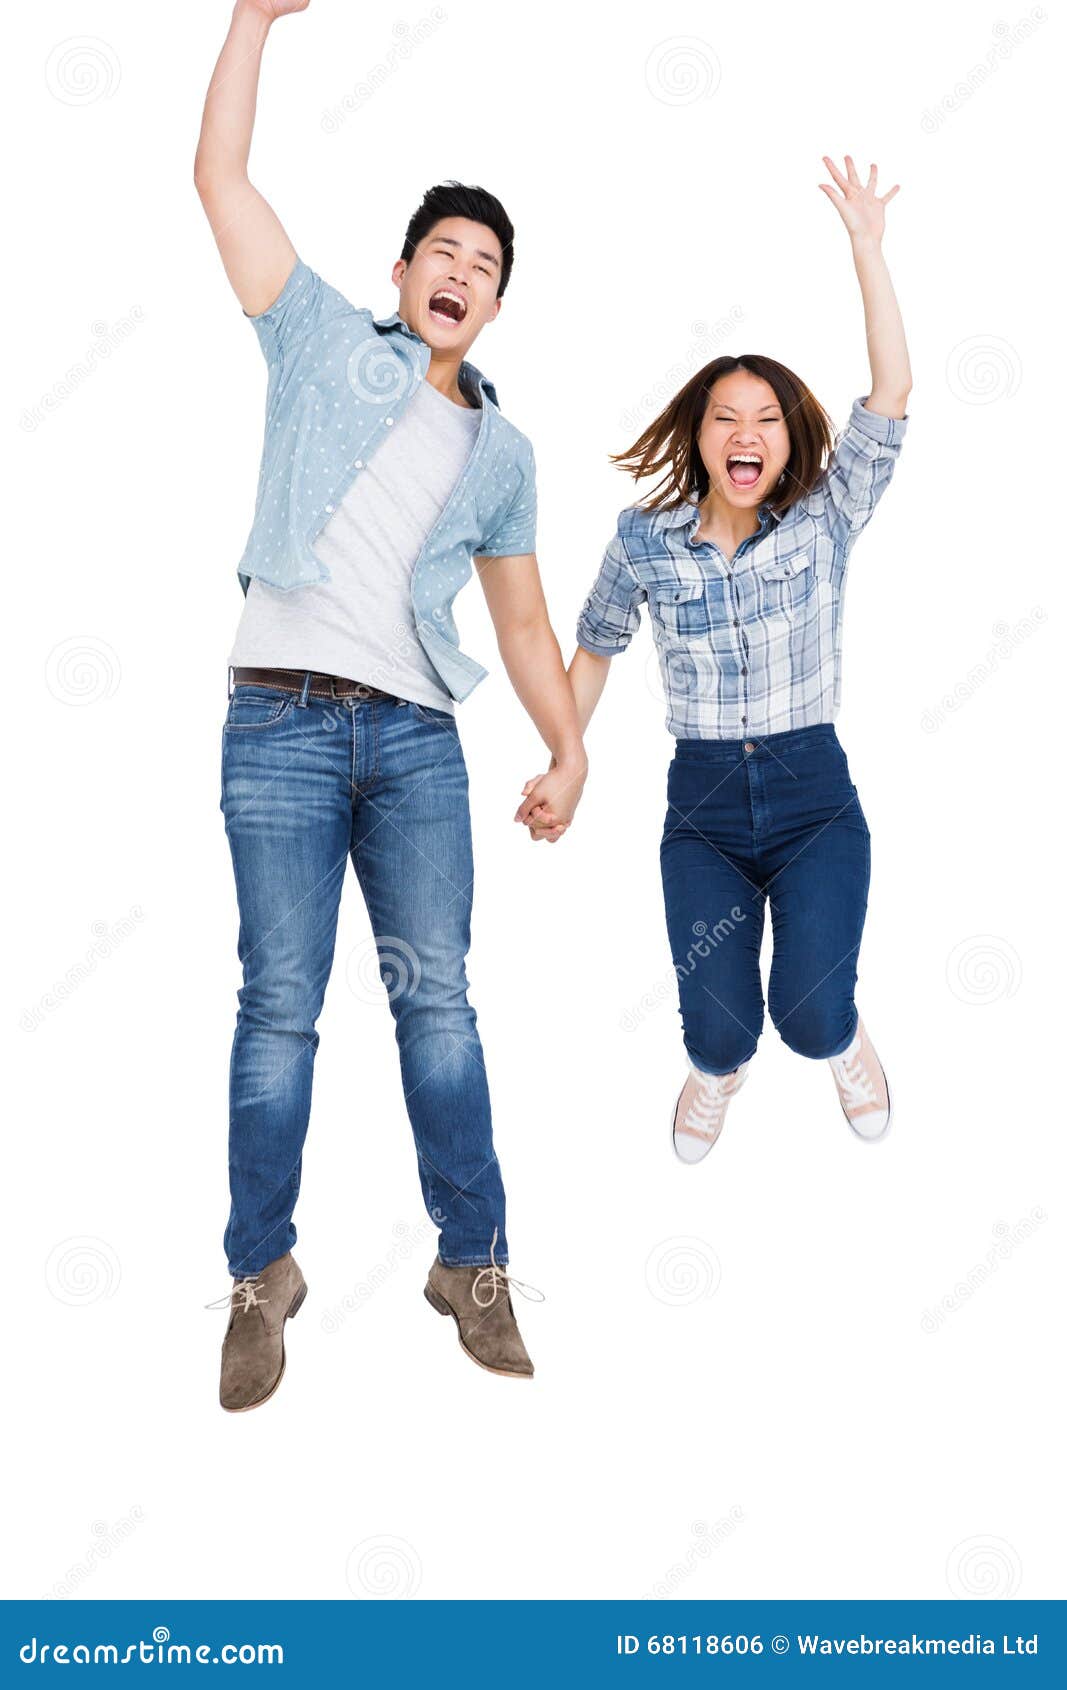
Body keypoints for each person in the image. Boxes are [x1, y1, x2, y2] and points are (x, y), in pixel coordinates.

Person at [194, 0, 586, 1409]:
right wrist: (251, 22)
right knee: (279, 1011)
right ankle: (260, 1274)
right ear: (404, 268)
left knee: (439, 1012)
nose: (461, 275)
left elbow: (526, 620)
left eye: (486, 267)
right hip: (282, 729)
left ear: (493, 302)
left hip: (416, 742)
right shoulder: (313, 339)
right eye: (445, 252)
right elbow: (222, 181)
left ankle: (468, 1258)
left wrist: (567, 745)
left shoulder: (502, 451)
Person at [521, 155, 910, 1162]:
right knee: (721, 1031)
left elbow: (892, 389)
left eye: (766, 419)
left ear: (786, 444)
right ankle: (712, 1074)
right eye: (725, 418)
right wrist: (568, 760)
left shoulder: (823, 521)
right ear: (698, 438)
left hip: (811, 795)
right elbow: (595, 648)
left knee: (812, 1018)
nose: (747, 432)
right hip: (700, 811)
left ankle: (843, 1046)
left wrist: (866, 247)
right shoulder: (643, 537)